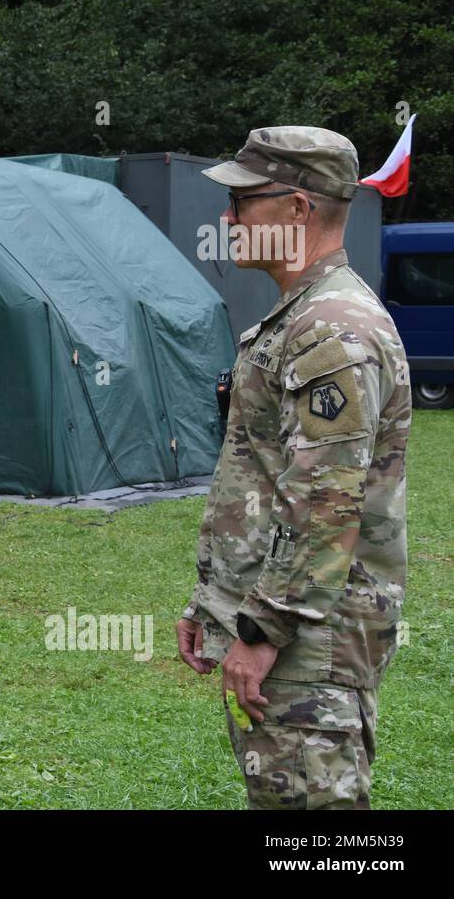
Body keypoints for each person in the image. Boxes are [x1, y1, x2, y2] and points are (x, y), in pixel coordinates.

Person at [176, 126, 410, 809]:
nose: (228, 219)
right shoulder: (302, 317)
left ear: (299, 210)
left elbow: (324, 503)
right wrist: (214, 604)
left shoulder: (332, 328)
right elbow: (264, 482)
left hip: (311, 643)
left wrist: (262, 629)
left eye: (245, 201)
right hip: (290, 631)